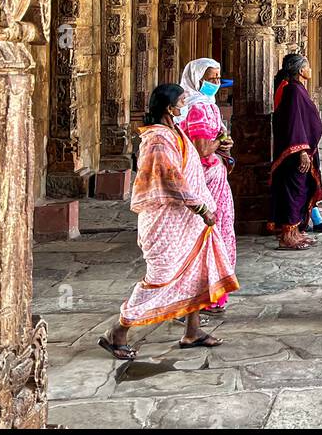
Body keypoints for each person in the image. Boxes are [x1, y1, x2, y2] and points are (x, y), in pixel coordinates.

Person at [98, 83, 238, 360]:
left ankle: (192, 331)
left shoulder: (175, 131)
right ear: (168, 106)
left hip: (186, 220)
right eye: (182, 100)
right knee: (161, 277)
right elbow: (171, 180)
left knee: (196, 271)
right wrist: (200, 207)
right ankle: (118, 331)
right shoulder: (158, 140)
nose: (185, 104)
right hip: (167, 220)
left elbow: (191, 163)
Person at [178, 57, 236, 313]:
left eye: (217, 79)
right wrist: (219, 144)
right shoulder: (196, 108)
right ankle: (206, 294)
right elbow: (202, 148)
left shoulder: (207, 105)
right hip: (204, 179)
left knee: (217, 232)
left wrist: (223, 143)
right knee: (209, 233)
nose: (215, 83)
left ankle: (213, 292)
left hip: (215, 176)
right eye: (210, 79)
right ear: (196, 79)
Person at [270, 52, 322, 249]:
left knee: (301, 190)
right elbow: (294, 123)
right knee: (293, 192)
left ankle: (295, 232)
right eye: (308, 66)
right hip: (295, 152)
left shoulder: (297, 89)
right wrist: (302, 151)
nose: (311, 70)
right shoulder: (293, 91)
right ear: (301, 70)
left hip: (304, 149)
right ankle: (287, 236)